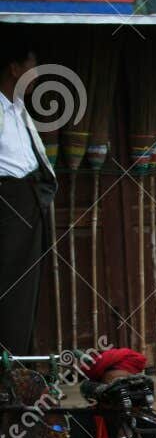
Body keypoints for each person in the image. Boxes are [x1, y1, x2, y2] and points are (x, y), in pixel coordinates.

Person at [0, 36, 57, 355]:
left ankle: (17, 362)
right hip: (7, 200)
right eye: (31, 68)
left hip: (28, 198)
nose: (36, 76)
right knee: (8, 286)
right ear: (13, 69)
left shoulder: (19, 110)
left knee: (25, 288)